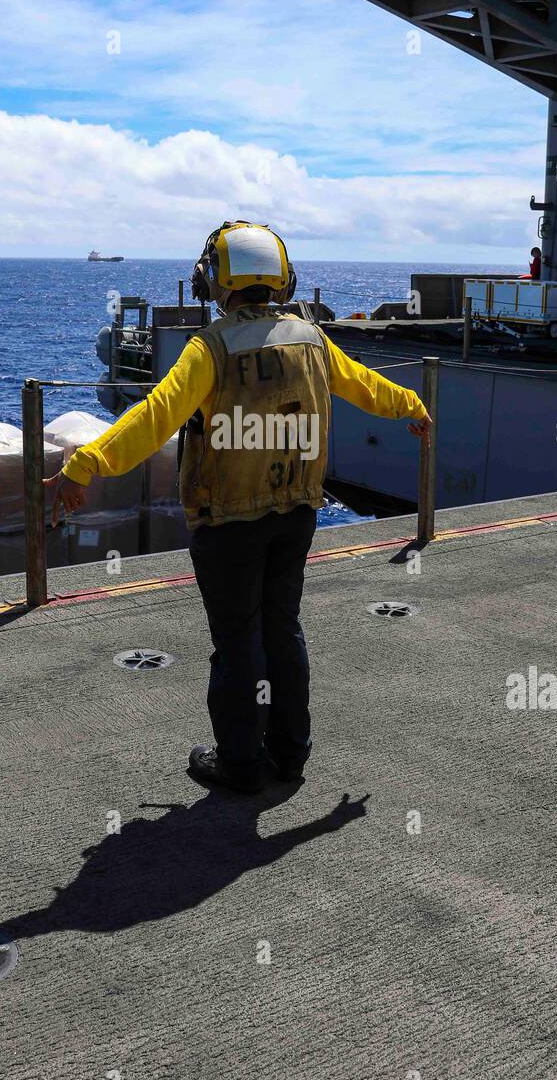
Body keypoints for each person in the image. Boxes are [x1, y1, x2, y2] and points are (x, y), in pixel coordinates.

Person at [45, 221, 431, 794]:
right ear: (282, 278)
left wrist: (85, 464)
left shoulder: (211, 348)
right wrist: (412, 405)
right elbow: (363, 385)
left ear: (211, 280)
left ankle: (241, 765)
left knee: (237, 642)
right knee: (283, 630)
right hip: (297, 509)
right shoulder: (312, 339)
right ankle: (290, 756)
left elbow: (154, 418)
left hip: (227, 519)